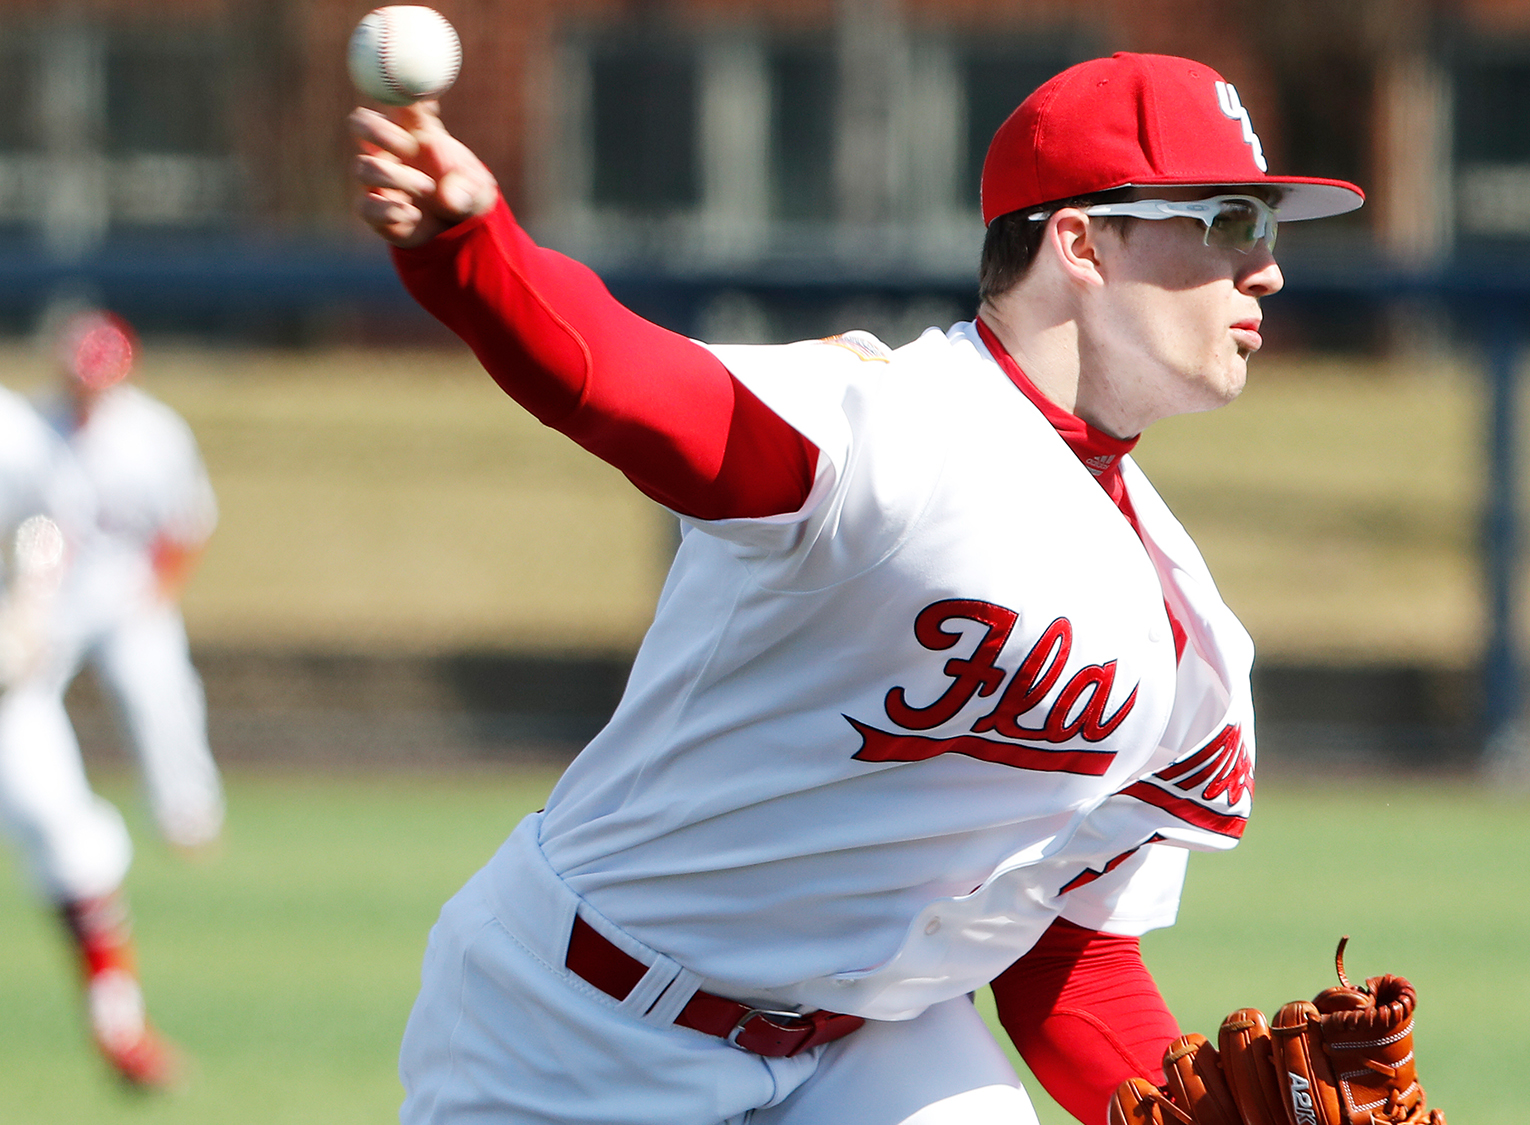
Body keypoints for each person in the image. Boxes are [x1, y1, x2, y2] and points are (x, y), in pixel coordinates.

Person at [351, 52, 1363, 1125]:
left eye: (1264, 232)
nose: (1264, 271)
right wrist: (467, 246)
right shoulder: (896, 430)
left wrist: (1207, 1115)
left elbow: (1063, 958)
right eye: (1223, 224)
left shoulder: (1190, 639)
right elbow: (626, 384)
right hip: (579, 1015)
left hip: (869, 1044)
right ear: (1077, 241)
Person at [0, 309, 225, 1090]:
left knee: (75, 843)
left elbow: (39, 529)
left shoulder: (17, 432)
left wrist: (26, 612)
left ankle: (118, 1028)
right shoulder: (31, 422)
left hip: (24, 669)